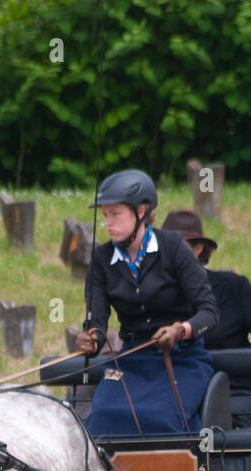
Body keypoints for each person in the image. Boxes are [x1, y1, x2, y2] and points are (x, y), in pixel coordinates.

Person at [74, 169, 217, 437]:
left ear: (141, 212)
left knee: (160, 418)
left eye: (115, 214)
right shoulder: (101, 259)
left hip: (183, 359)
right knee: (104, 417)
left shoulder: (173, 246)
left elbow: (209, 312)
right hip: (131, 359)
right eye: (105, 215)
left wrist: (179, 330)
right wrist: (92, 338)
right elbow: (97, 321)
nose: (108, 223)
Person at [160, 210, 251, 427]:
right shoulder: (153, 295)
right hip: (173, 393)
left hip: (233, 391)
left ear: (197, 249)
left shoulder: (233, 288)